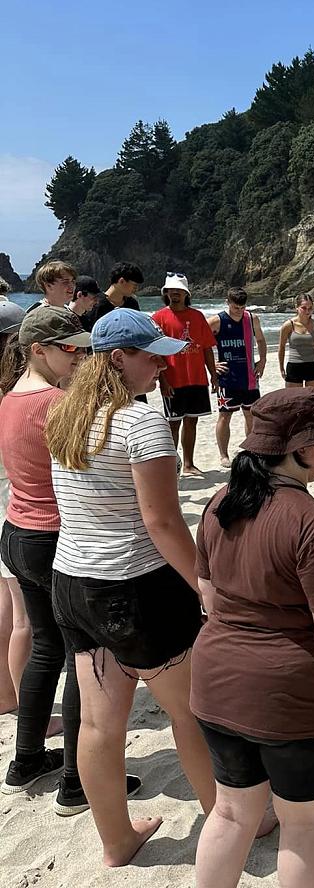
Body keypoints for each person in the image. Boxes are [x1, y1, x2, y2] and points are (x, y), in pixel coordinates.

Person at [46, 309, 225, 866]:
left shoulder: (66, 414)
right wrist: (204, 584)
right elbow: (163, 521)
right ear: (119, 358)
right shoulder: (139, 421)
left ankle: (117, 840)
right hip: (135, 585)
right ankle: (230, 818)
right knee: (190, 713)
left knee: (98, 722)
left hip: (73, 580)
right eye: (153, 357)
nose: (162, 366)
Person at [191, 388, 314, 888]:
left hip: (216, 681)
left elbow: (208, 595)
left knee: (230, 813)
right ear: (299, 449)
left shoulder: (219, 503)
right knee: (302, 823)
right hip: (292, 694)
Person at [0, 308, 90, 814]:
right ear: (39, 350)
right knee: (82, 656)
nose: (79, 356)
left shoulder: (10, 398)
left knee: (45, 648)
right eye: (70, 348)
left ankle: (26, 759)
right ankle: (77, 783)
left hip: (16, 532)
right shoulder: (58, 403)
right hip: (54, 537)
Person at [151, 273, 218, 475]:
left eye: (179, 291)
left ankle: (188, 464)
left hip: (196, 378)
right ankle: (172, 466)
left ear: (186, 294)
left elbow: (206, 348)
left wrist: (213, 375)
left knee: (192, 421)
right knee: (173, 423)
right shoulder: (158, 318)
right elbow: (155, 353)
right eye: (171, 291)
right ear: (166, 293)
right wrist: (162, 380)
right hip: (173, 379)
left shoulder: (197, 316)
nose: (175, 294)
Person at [0, 300, 30, 717]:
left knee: (6, 604)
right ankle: (27, 705)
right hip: (11, 497)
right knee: (23, 615)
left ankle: (7, 696)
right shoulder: (12, 392)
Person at [208, 288, 267, 468]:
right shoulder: (216, 321)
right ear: (227, 303)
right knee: (225, 415)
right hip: (227, 378)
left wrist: (263, 360)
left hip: (249, 376)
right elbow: (200, 344)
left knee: (251, 414)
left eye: (242, 307)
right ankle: (223, 455)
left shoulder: (252, 319)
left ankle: (251, 450)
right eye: (235, 307)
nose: (239, 311)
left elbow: (261, 340)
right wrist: (212, 365)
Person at [79, 261, 144, 333]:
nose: (136, 289)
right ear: (121, 281)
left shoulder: (132, 303)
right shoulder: (96, 304)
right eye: (134, 286)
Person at [279, 293, 314, 390]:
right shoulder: (288, 325)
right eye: (304, 308)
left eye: (310, 308)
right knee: (294, 398)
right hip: (294, 365)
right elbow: (281, 347)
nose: (307, 311)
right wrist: (281, 367)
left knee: (313, 397)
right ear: (297, 307)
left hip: (313, 365)